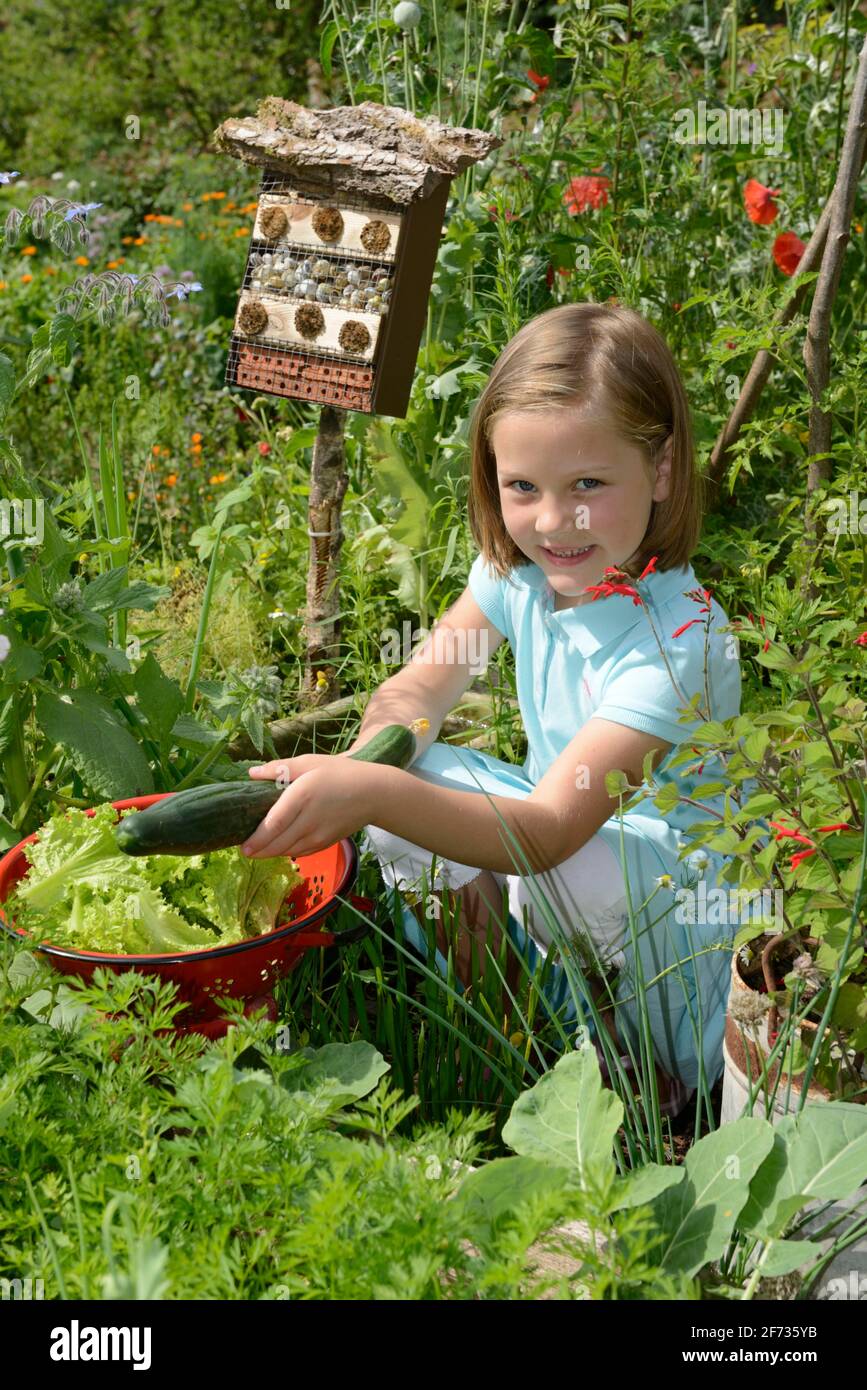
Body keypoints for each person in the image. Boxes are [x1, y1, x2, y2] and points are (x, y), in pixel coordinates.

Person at [239, 303, 746, 1110]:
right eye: (522, 486)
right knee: (411, 778)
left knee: (513, 850)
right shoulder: (516, 576)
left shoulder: (680, 644)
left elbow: (547, 833)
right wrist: (373, 761)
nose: (553, 521)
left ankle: (654, 1082)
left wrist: (369, 789)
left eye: (587, 484)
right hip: (560, 879)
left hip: (670, 924)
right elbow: (416, 689)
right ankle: (528, 1029)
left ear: (660, 470)